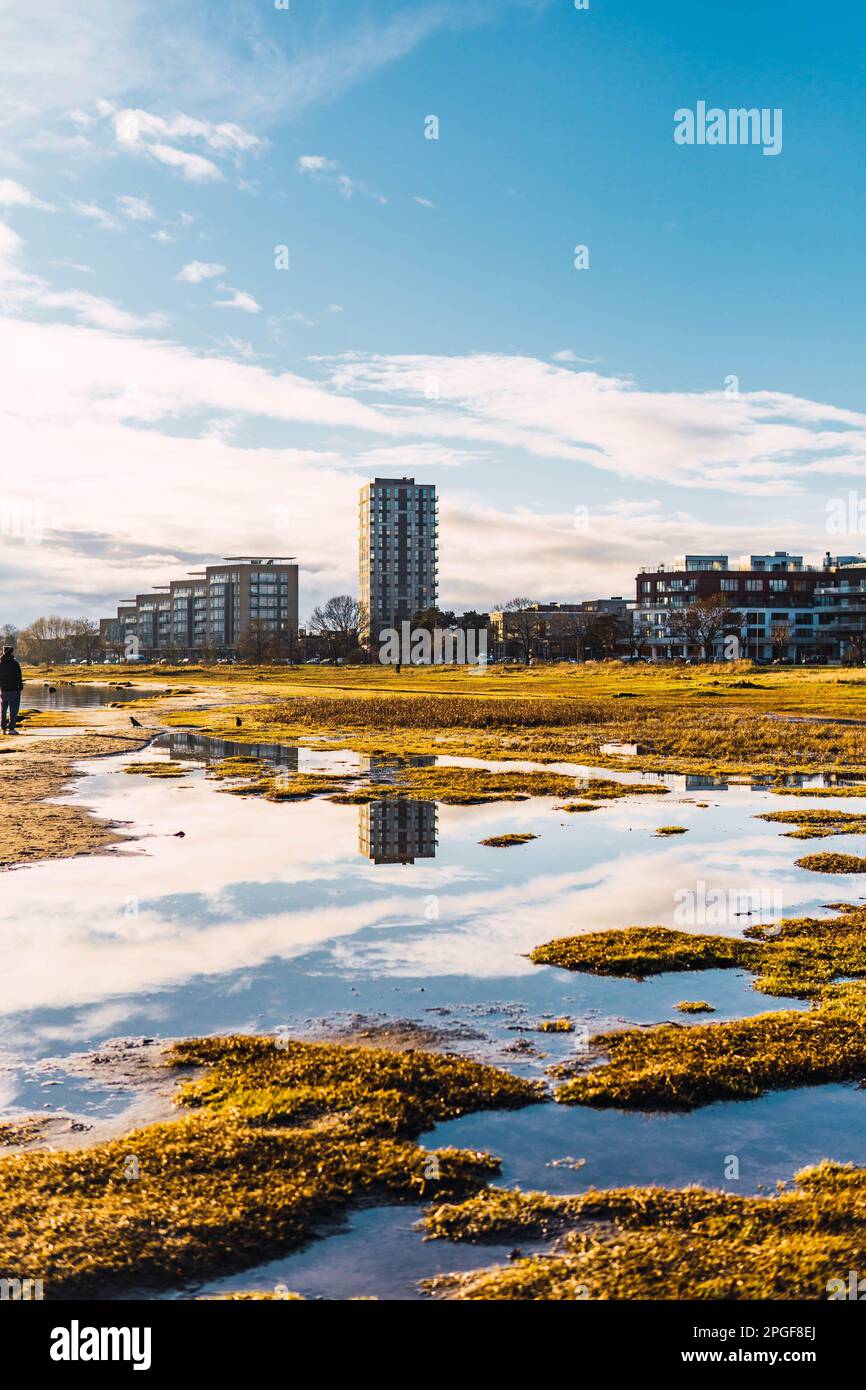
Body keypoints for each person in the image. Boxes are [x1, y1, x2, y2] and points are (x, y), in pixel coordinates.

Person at [0, 645, 24, 735]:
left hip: (3, 690)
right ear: (11, 652)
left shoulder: (0, 664)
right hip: (14, 690)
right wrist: (20, 686)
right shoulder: (15, 664)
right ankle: (11, 729)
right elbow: (19, 677)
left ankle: (3, 729)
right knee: (13, 710)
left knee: (3, 710)